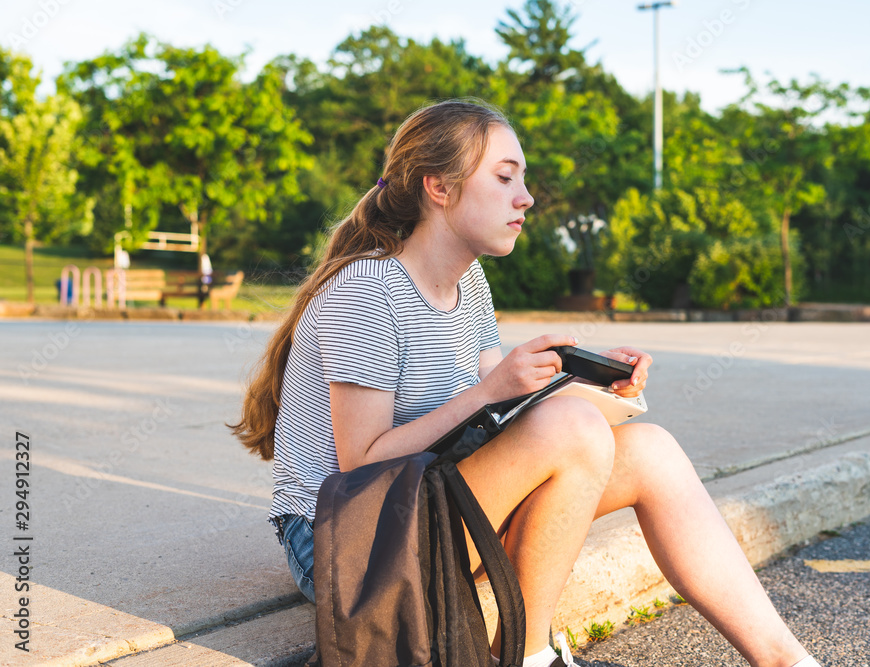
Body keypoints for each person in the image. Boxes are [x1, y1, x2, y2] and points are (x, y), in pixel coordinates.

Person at [231, 99, 821, 667]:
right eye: (505, 177)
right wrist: (494, 393)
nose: (527, 197)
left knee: (652, 452)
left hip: (425, 506)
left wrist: (584, 381)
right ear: (439, 187)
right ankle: (523, 654)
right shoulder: (368, 291)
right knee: (569, 427)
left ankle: (785, 659)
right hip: (343, 548)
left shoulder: (471, 284)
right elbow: (361, 465)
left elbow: (497, 415)